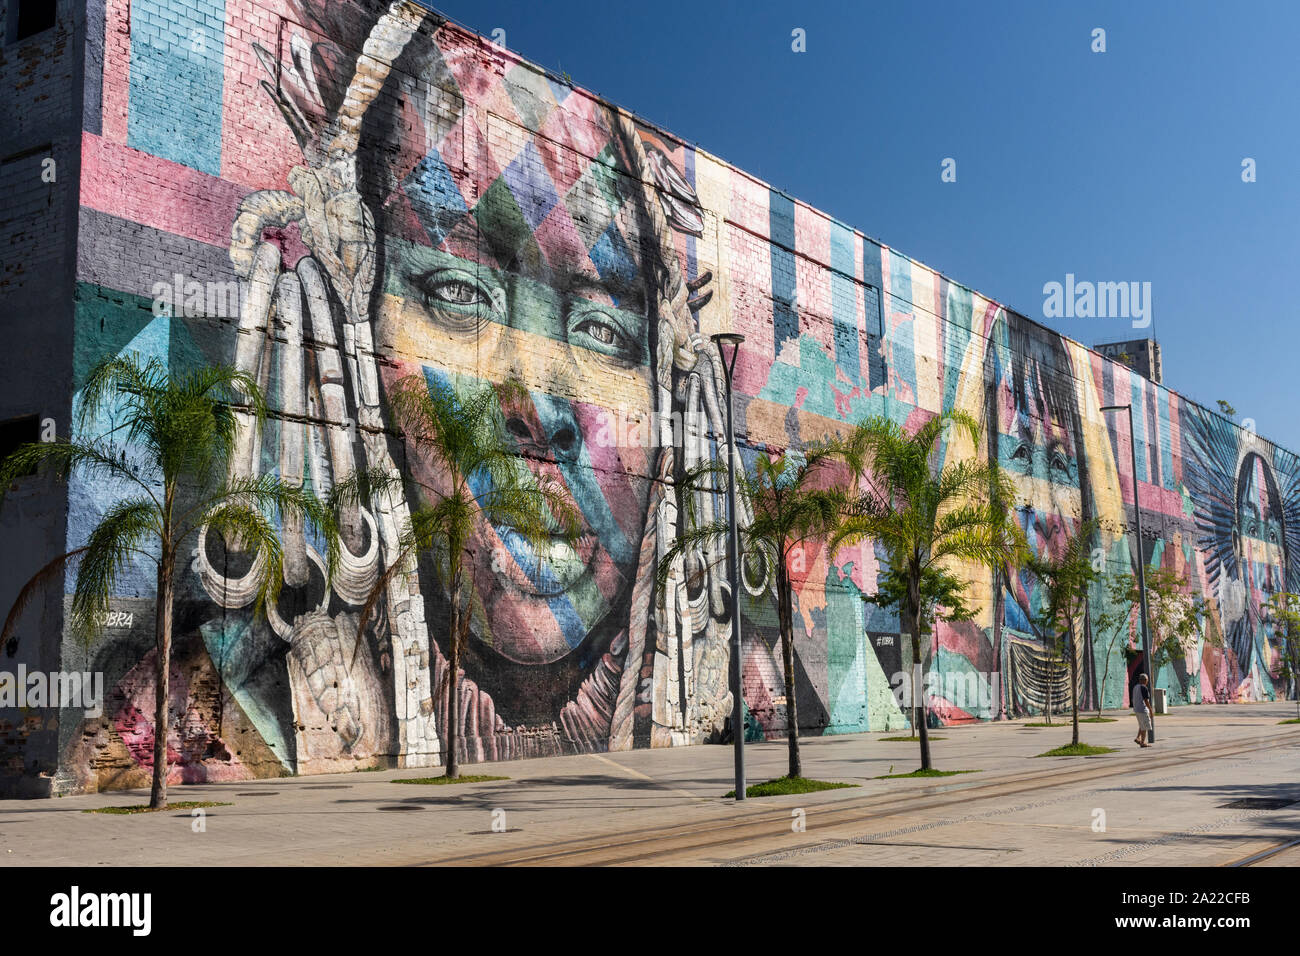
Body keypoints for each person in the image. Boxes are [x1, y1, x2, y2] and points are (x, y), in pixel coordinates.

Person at [1132, 672, 1153, 747]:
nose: (1147, 682)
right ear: (1145, 680)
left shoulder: (1135, 687)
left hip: (1136, 709)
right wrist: (1150, 710)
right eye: (1147, 680)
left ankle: (1138, 738)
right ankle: (1142, 742)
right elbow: (1146, 700)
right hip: (1142, 709)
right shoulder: (1143, 687)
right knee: (1145, 726)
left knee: (1141, 725)